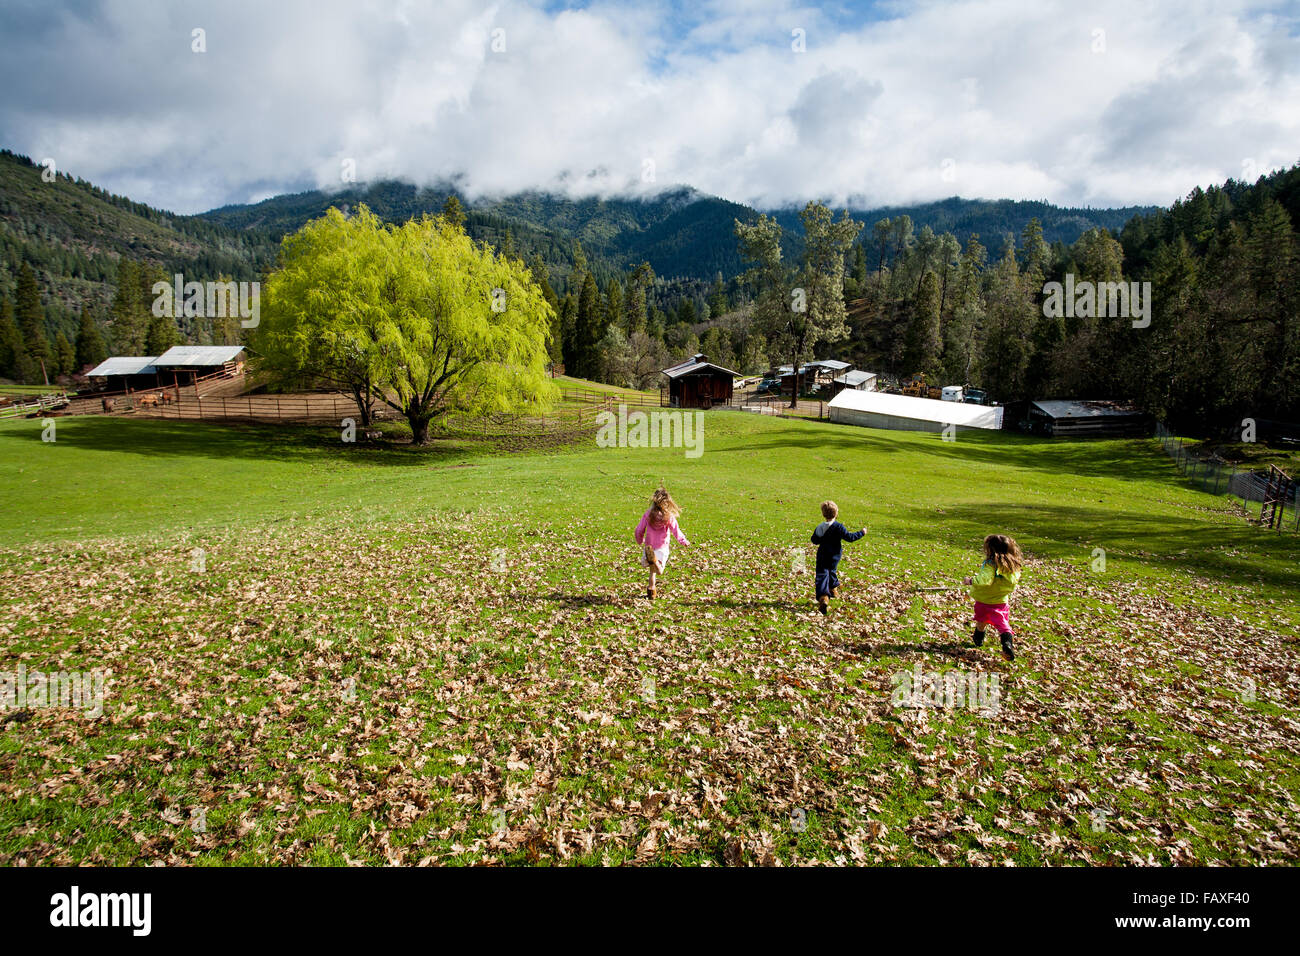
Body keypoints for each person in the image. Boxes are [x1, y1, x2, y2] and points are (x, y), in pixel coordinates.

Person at [963, 534, 1023, 661]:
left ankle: (978, 638)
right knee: (1003, 624)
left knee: (981, 619)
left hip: (984, 600)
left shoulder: (991, 564)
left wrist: (970, 580)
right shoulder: (1012, 565)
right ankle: (1007, 643)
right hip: (1000, 601)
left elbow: (985, 580)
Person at [634, 487, 690, 599]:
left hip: (649, 546)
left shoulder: (648, 515)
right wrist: (683, 541)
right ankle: (655, 562)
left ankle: (651, 590)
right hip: (662, 547)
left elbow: (639, 530)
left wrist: (640, 540)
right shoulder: (668, 516)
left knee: (652, 571)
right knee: (658, 570)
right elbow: (676, 531)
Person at [811, 500, 865, 615]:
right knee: (831, 571)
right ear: (836, 513)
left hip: (822, 554)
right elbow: (850, 537)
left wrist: (821, 538)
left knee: (822, 574)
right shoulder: (838, 527)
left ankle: (824, 597)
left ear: (823, 514)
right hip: (835, 555)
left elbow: (814, 540)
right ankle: (833, 589)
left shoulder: (820, 527)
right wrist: (862, 532)